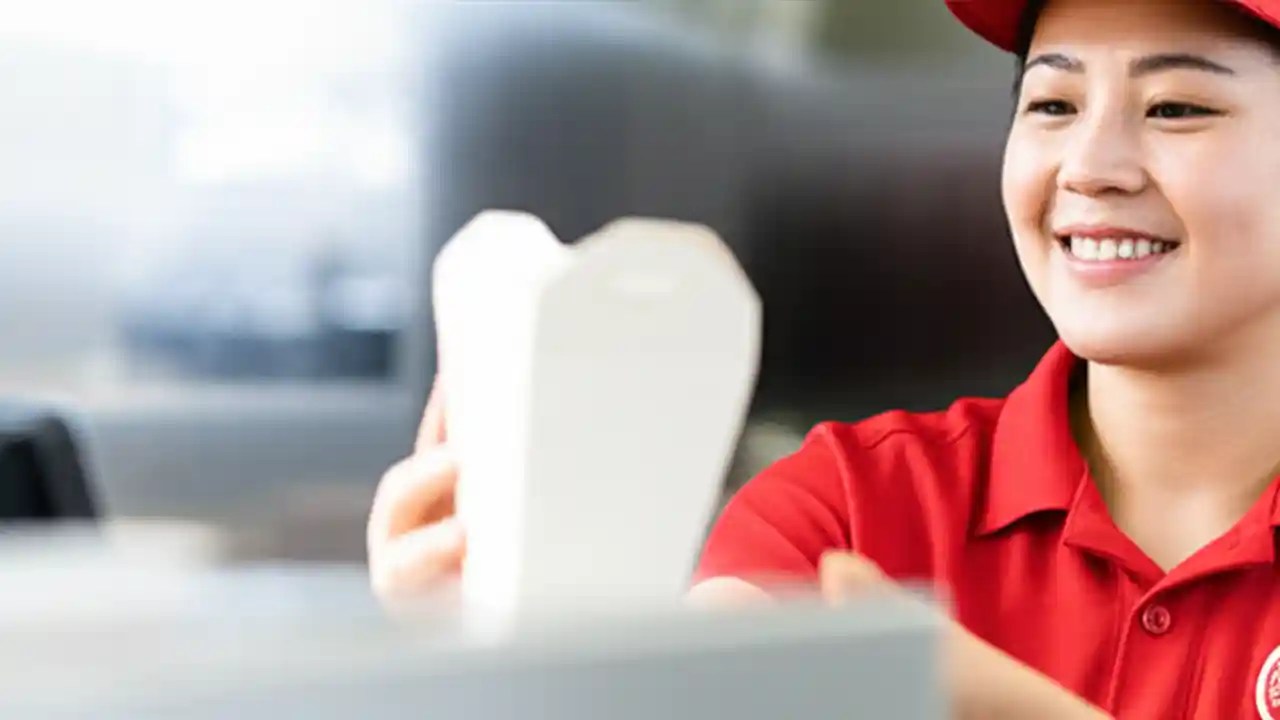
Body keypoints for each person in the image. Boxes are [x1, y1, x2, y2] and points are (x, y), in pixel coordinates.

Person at [367, 0, 1280, 716]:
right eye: (1052, 104)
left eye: (1176, 107)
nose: (1089, 165)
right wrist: (510, 679)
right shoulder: (847, 512)